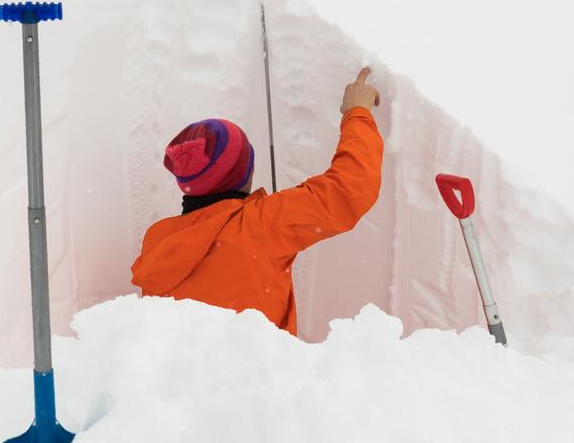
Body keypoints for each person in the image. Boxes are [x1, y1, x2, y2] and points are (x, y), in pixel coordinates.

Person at [129, 67, 383, 334]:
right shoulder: (262, 224)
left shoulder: (157, 240)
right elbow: (351, 187)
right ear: (244, 173)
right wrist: (357, 112)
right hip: (259, 374)